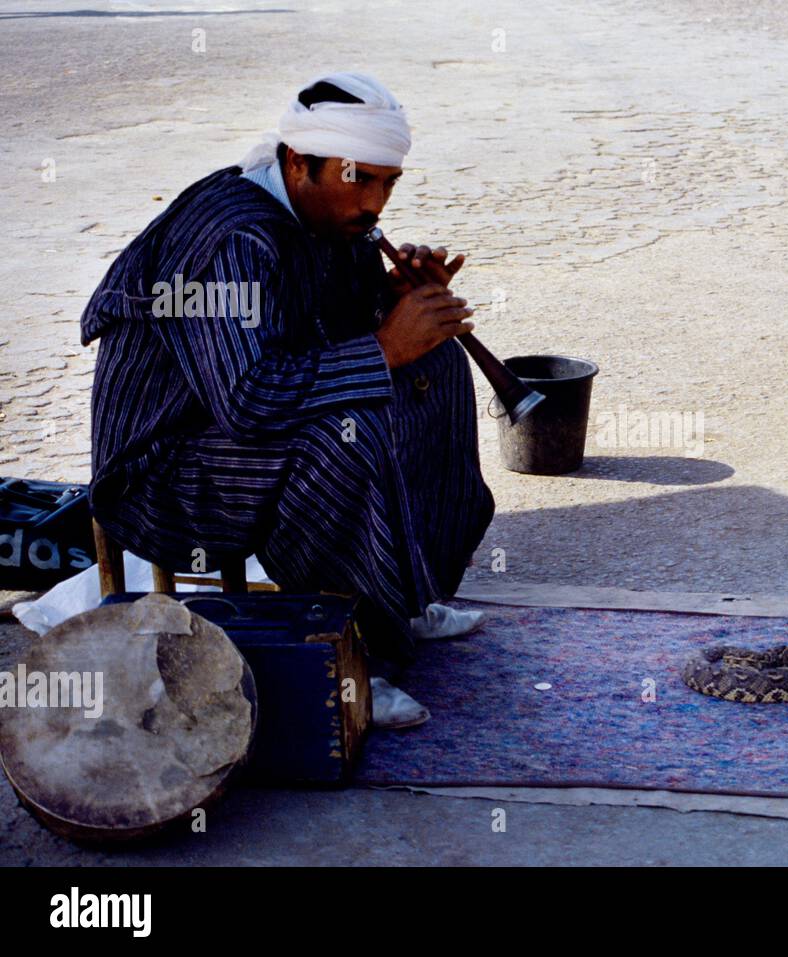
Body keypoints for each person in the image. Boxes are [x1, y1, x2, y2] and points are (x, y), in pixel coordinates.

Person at [81, 72, 493, 725]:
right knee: (340, 432)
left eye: (388, 183)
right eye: (362, 178)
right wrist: (387, 346)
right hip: (163, 469)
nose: (377, 203)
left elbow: (333, 330)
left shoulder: (336, 220)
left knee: (435, 362)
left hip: (234, 435)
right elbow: (247, 401)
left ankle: (405, 594)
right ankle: (360, 658)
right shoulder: (231, 240)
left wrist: (397, 301)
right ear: (299, 164)